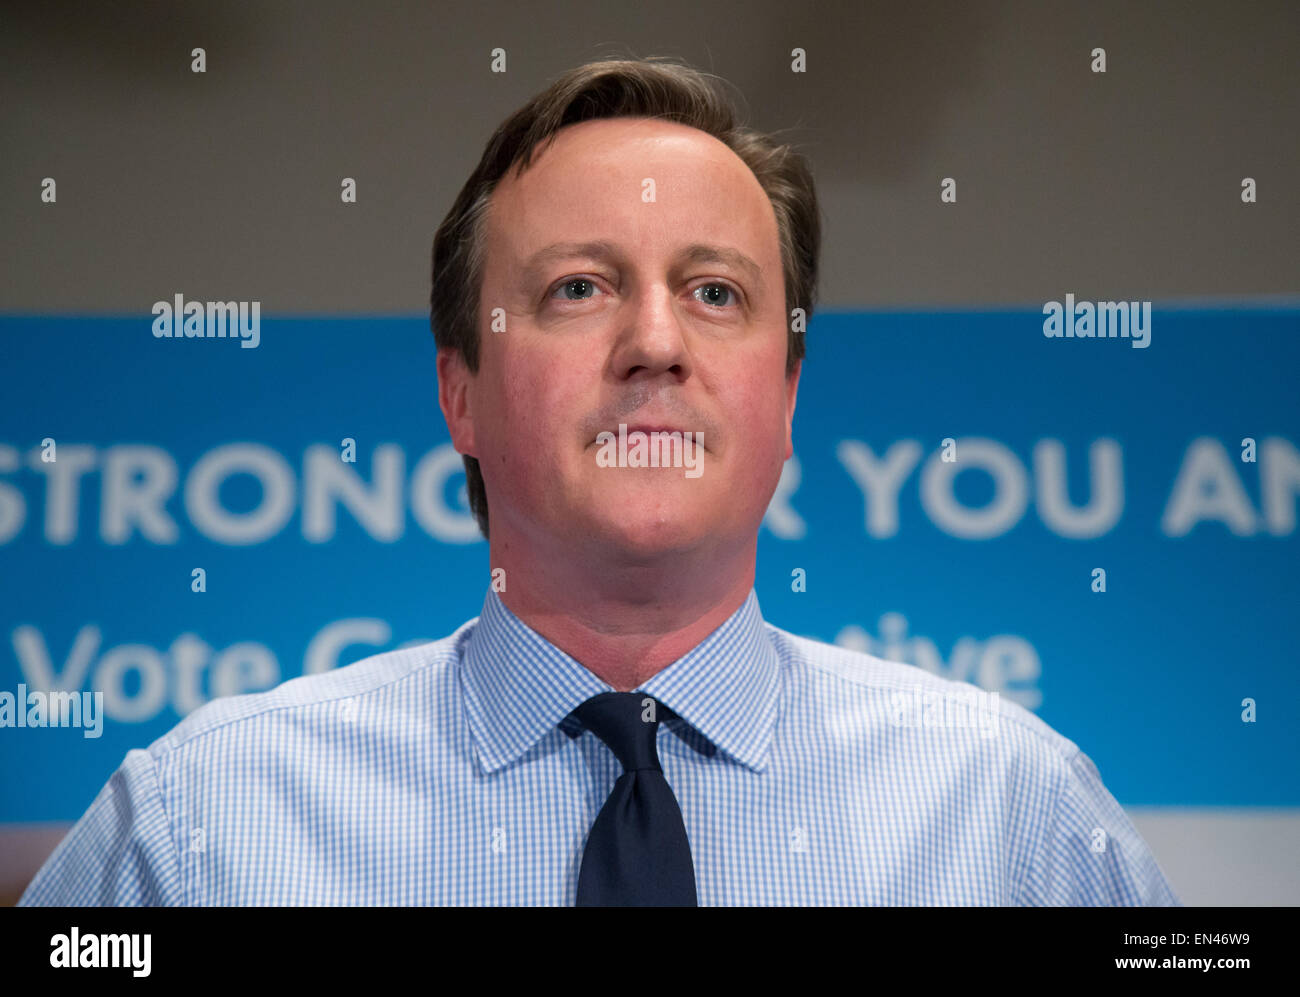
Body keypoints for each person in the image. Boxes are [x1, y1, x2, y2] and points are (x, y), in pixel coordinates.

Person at [19, 56, 1179, 906]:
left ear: (786, 395)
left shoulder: (1014, 820)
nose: (656, 342)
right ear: (459, 390)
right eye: (579, 287)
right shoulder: (200, 829)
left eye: (716, 291)